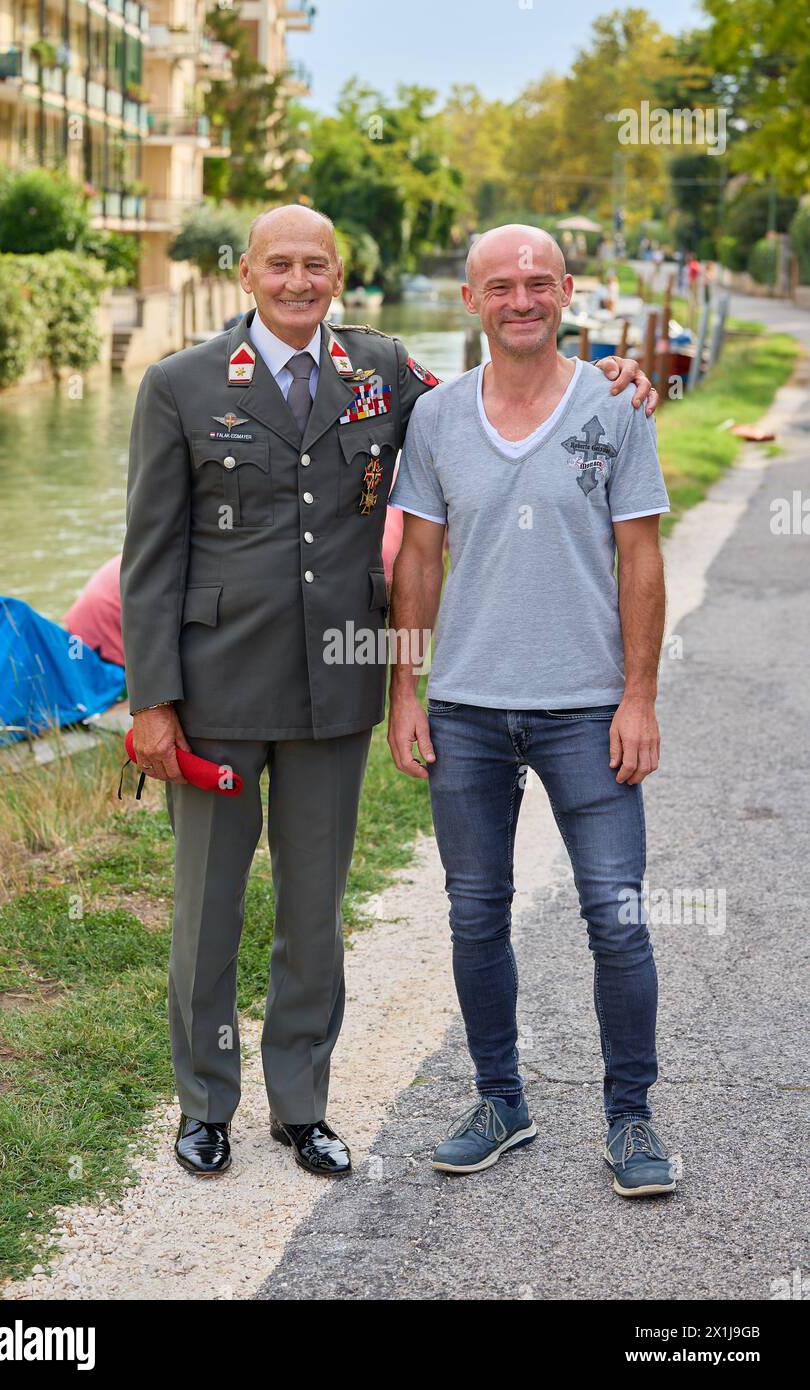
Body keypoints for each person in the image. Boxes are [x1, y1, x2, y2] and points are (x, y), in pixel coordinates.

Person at [121, 205, 658, 1181]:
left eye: (314, 265)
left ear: (338, 274)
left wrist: (614, 374)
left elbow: (500, 386)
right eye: (278, 265)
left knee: (314, 911)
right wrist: (151, 698)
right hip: (213, 691)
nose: (297, 281)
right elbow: (149, 554)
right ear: (245, 273)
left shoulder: (380, 374)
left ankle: (300, 1105)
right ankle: (205, 1101)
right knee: (208, 908)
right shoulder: (180, 385)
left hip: (336, 683)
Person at [388, 224, 676, 1198]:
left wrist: (637, 695)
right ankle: (499, 1098)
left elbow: (639, 556)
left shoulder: (613, 405)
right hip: (465, 706)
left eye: (537, 283)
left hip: (585, 705)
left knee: (618, 916)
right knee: (474, 914)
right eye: (498, 285)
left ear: (566, 292)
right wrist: (403, 688)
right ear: (469, 301)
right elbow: (415, 560)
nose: (519, 299)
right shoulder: (433, 420)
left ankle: (629, 1118)